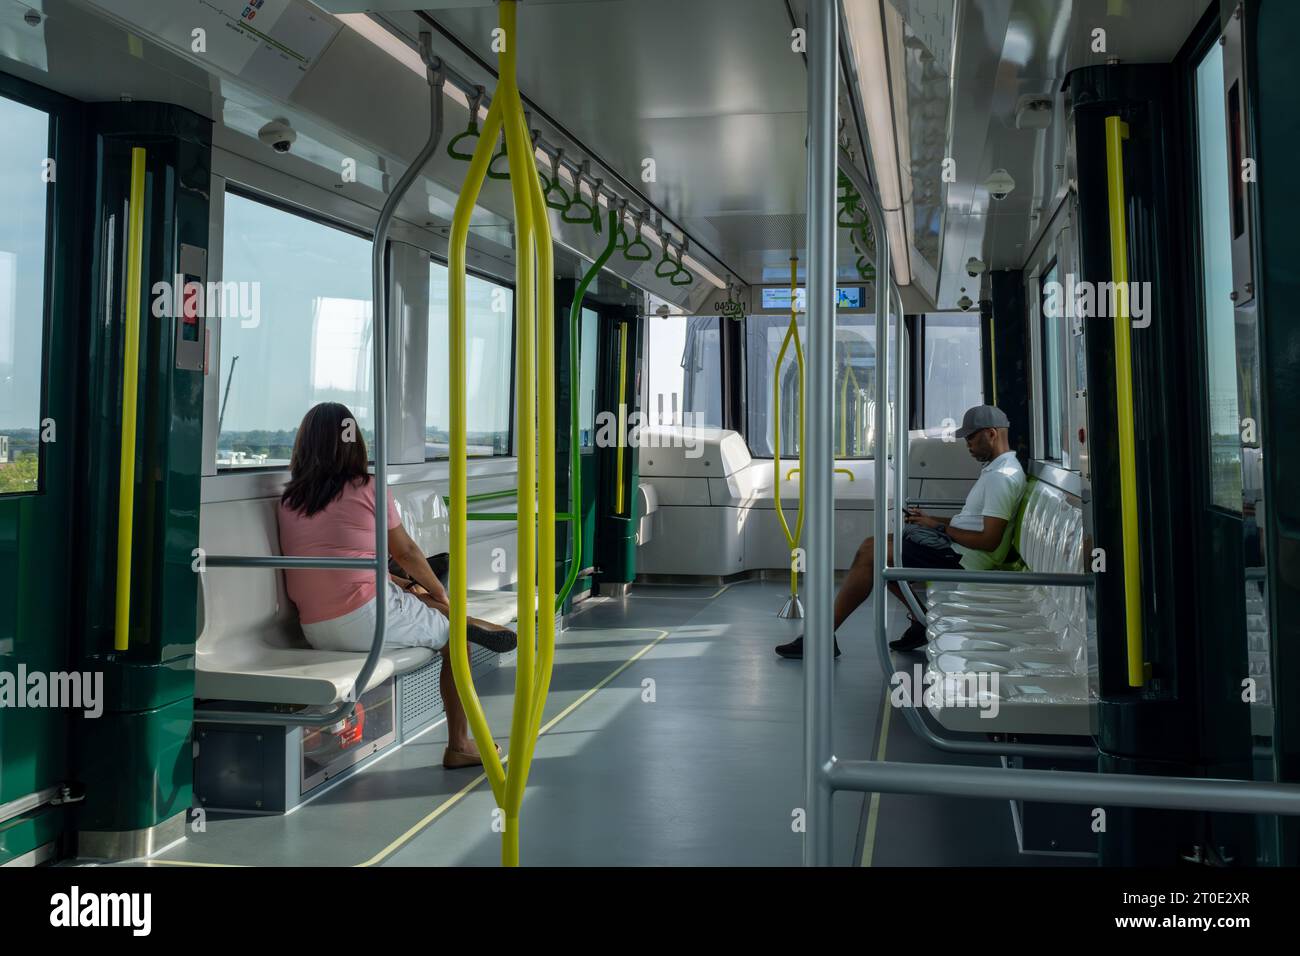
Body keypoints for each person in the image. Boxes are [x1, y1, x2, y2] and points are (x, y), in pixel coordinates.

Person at [277, 402, 517, 769]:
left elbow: (337, 560)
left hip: (315, 628)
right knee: (456, 640)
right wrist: (438, 591)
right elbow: (405, 551)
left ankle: (446, 613)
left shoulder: (289, 500)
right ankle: (460, 743)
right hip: (364, 621)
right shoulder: (368, 487)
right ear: (353, 441)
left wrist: (401, 583)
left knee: (408, 593)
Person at [775, 404, 1026, 659]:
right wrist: (930, 520)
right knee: (875, 547)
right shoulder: (996, 470)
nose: (967, 445)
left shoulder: (1001, 477)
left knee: (871, 554)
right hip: (955, 549)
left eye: (971, 437)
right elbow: (975, 523)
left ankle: (821, 638)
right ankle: (919, 620)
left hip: (964, 559)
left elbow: (989, 541)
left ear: (992, 434)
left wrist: (939, 527)